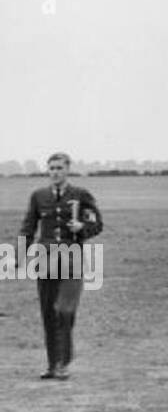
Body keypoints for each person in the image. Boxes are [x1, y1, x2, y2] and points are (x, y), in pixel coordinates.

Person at [19, 152, 102, 380]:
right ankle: (52, 364)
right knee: (48, 313)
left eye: (59, 168)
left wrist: (81, 228)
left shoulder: (80, 195)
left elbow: (97, 224)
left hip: (72, 260)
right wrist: (18, 256)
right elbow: (27, 229)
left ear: (67, 170)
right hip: (45, 261)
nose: (55, 172)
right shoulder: (38, 196)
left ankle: (64, 363)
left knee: (64, 312)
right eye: (51, 168)